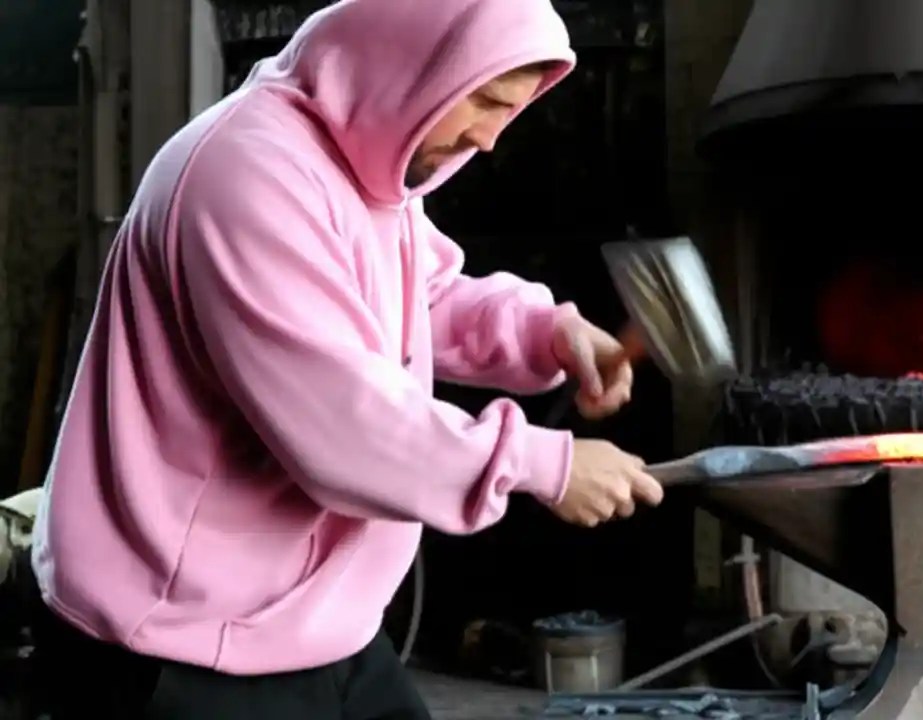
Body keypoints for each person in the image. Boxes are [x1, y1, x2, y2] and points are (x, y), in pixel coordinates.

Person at [28, 0, 664, 717]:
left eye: (508, 111)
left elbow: (417, 297)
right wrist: (541, 465)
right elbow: (343, 427)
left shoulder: (363, 165)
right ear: (412, 63)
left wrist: (545, 333)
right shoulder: (248, 176)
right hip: (176, 636)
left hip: (310, 625)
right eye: (485, 102)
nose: (489, 139)